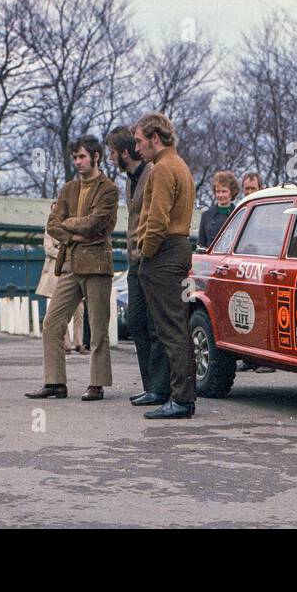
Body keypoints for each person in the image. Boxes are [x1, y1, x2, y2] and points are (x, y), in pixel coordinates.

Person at [26, 136, 119, 402]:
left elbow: (96, 224)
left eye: (82, 157)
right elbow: (53, 225)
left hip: (97, 265)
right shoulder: (68, 188)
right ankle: (55, 382)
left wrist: (70, 226)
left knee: (98, 328)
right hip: (70, 264)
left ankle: (97, 384)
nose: (78, 162)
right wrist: (76, 234)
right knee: (52, 323)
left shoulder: (109, 189)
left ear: (96, 157)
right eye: (75, 157)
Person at [132, 112, 197, 420]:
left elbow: (157, 220)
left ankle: (182, 398)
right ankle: (174, 393)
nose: (136, 148)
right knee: (174, 326)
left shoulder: (161, 169)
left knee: (171, 329)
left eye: (139, 141)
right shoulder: (179, 165)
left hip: (164, 253)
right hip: (176, 249)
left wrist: (145, 252)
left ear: (154, 138)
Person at [105, 126, 168, 406]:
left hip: (151, 258)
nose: (110, 157)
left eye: (112, 152)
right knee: (136, 321)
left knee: (155, 326)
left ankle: (160, 388)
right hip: (135, 262)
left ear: (124, 152)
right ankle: (149, 385)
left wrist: (145, 250)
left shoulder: (152, 173)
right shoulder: (130, 181)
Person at [36, 228, 84, 354]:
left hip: (74, 266)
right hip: (55, 270)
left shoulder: (73, 225)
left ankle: (79, 342)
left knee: (79, 307)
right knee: (60, 306)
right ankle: (66, 344)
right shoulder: (50, 228)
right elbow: (48, 249)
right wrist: (65, 253)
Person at [197, 171, 238, 249]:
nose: (220, 195)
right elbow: (201, 244)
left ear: (232, 192)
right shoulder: (206, 215)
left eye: (224, 191)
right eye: (218, 191)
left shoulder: (238, 214)